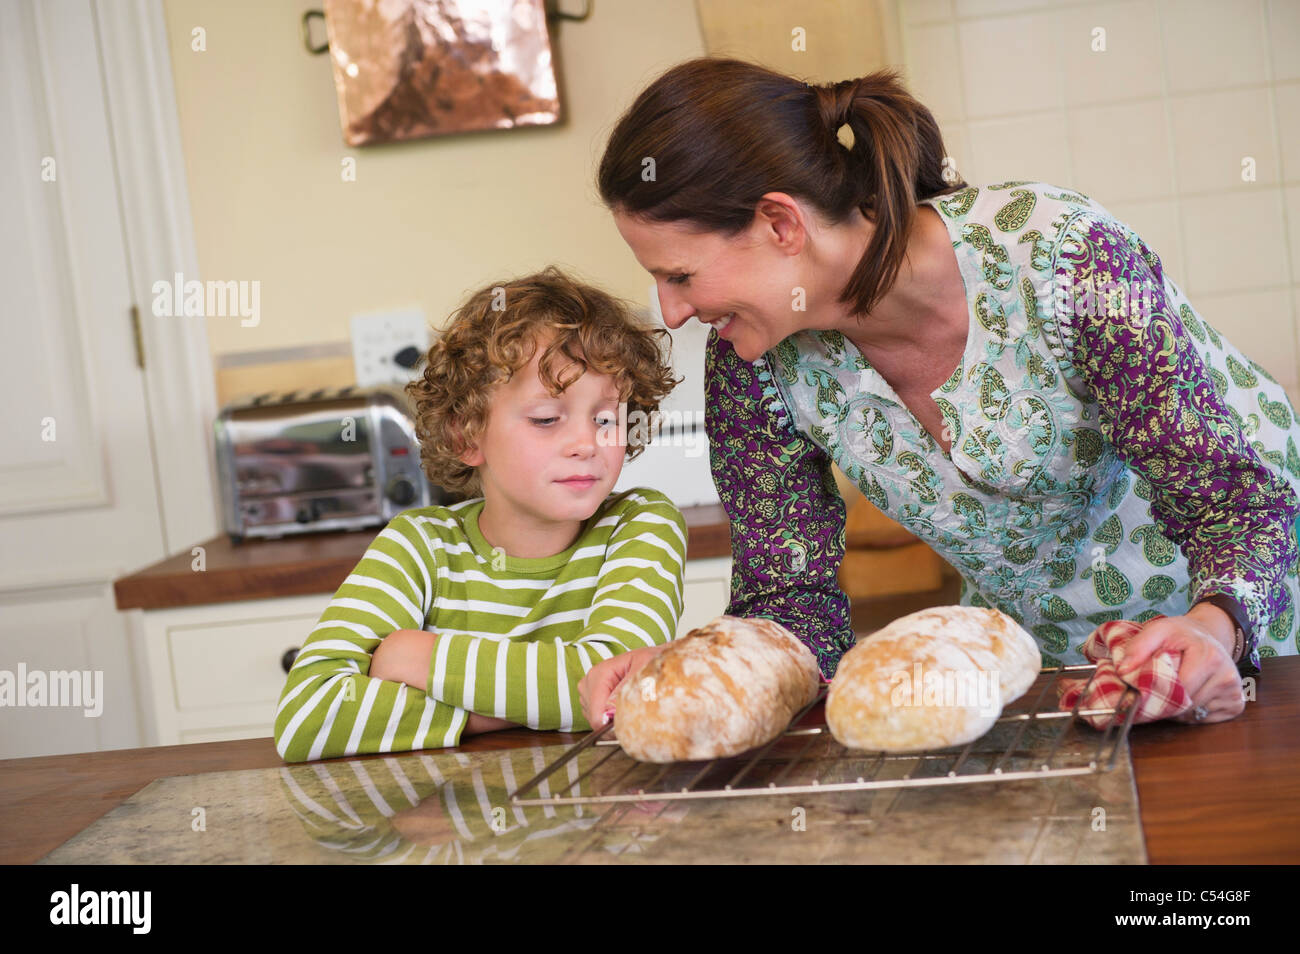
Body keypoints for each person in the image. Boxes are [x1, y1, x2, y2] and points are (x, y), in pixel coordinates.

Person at [578, 56, 1300, 729]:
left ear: (781, 223)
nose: (672, 312)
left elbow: (1232, 500)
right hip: (1050, 669)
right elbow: (790, 599)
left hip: (1244, 612)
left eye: (680, 276)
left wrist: (1214, 627)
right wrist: (698, 672)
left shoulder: (1065, 257)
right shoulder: (754, 362)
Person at [275, 267, 687, 762]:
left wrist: (418, 658)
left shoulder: (642, 525)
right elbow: (308, 717)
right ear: (466, 435)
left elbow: (615, 688)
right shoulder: (418, 545)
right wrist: (523, 706)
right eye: (546, 418)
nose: (586, 443)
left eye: (605, 418)